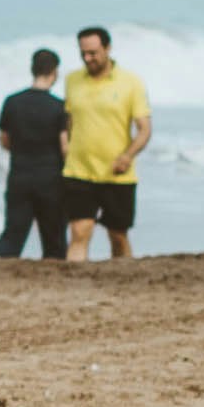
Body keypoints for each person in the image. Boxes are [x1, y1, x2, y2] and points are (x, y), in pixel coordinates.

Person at [57, 18, 150, 262]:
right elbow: (69, 121)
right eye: (83, 53)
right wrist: (65, 146)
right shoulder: (72, 80)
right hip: (79, 170)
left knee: (117, 235)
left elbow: (144, 129)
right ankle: (75, 285)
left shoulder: (131, 82)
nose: (88, 59)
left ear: (107, 49)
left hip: (117, 173)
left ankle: (123, 282)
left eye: (93, 53)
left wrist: (128, 156)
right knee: (79, 231)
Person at [0, 45, 74, 261]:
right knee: (54, 239)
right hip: (51, 177)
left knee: (13, 234)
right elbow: (65, 146)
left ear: (33, 69)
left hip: (20, 174)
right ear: (54, 72)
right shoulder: (59, 106)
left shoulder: (13, 102)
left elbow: (4, 140)